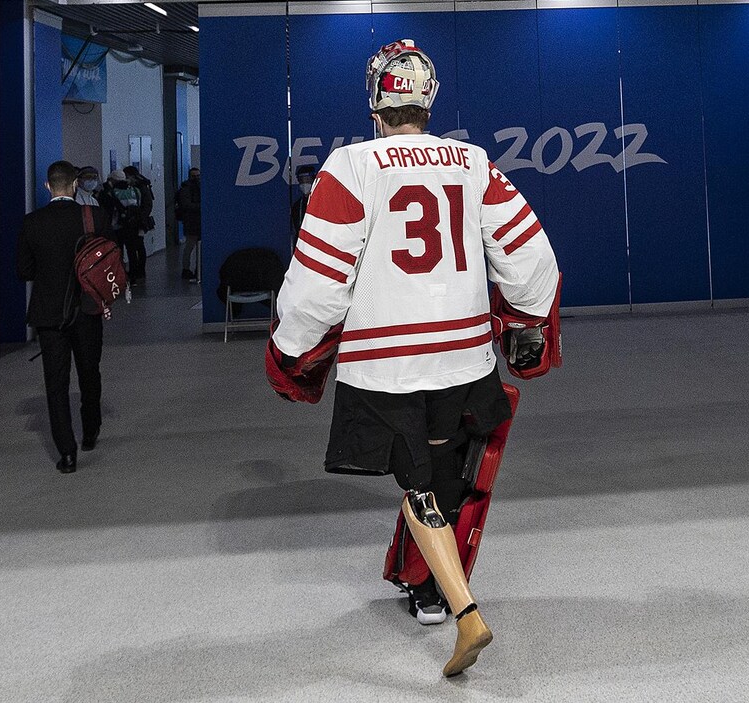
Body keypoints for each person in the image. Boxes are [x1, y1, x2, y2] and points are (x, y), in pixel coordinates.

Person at [265, 39, 561, 678]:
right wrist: (529, 321)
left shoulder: (350, 167)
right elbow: (533, 258)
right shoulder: (474, 162)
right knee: (449, 473)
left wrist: (290, 348)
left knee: (416, 482)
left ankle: (463, 610)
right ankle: (427, 592)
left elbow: (319, 282)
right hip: (465, 355)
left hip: (386, 361)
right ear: (429, 99)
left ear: (375, 102)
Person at [17, 160, 111, 473]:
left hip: (49, 315)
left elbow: (24, 271)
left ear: (48, 186)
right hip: (86, 309)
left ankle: (67, 453)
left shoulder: (32, 222)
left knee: (56, 384)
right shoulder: (94, 217)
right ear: (74, 186)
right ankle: (91, 431)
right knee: (89, 372)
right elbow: (110, 261)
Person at [108, 169, 147, 284]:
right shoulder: (135, 190)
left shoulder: (113, 192)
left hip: (118, 226)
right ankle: (134, 275)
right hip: (133, 225)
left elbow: (111, 209)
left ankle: (120, 274)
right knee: (132, 251)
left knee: (119, 251)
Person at [176, 167, 201, 281]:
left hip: (194, 221)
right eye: (194, 176)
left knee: (192, 248)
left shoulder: (186, 188)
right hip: (192, 221)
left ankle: (196, 269)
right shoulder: (186, 189)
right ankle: (187, 269)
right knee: (190, 247)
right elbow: (186, 205)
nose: (196, 178)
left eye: (197, 175)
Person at [289, 165, 316, 246]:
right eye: (301, 181)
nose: (304, 184)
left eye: (307, 180)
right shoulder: (297, 206)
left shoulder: (323, 201)